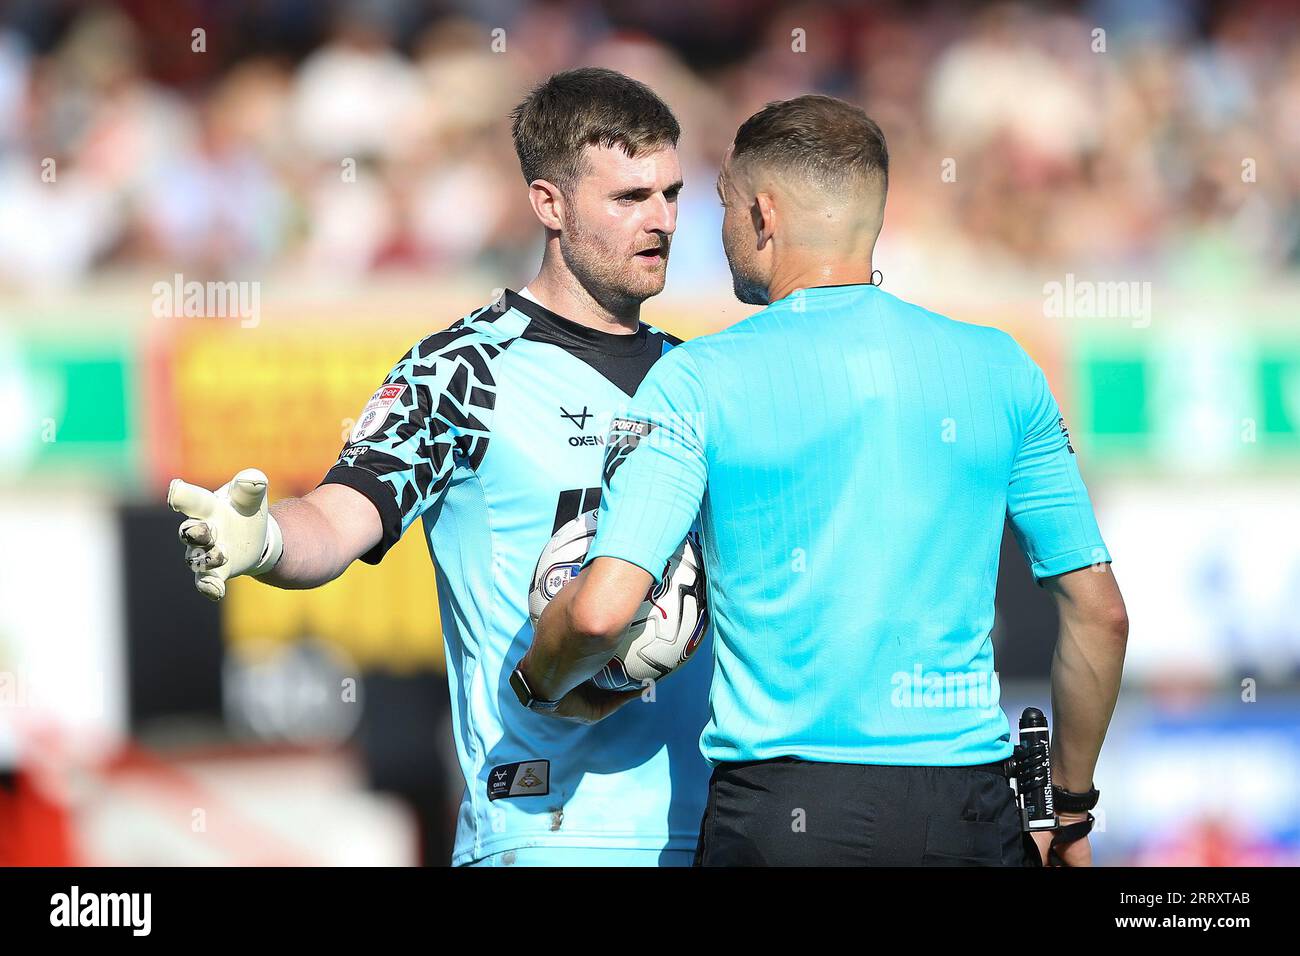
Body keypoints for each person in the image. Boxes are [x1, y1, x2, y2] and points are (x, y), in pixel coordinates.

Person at [522, 94, 1128, 866]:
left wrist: (540, 684)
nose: (713, 228)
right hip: (969, 810)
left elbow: (604, 610)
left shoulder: (697, 379)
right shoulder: (1003, 366)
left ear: (764, 216)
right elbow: (1101, 616)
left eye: (724, 206)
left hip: (786, 815)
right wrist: (1070, 811)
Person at [167, 68, 712, 867]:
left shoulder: (696, 377)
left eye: (671, 193)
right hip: (547, 831)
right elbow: (338, 515)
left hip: (706, 830)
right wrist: (267, 542)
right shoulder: (460, 372)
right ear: (549, 204)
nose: (661, 220)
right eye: (629, 198)